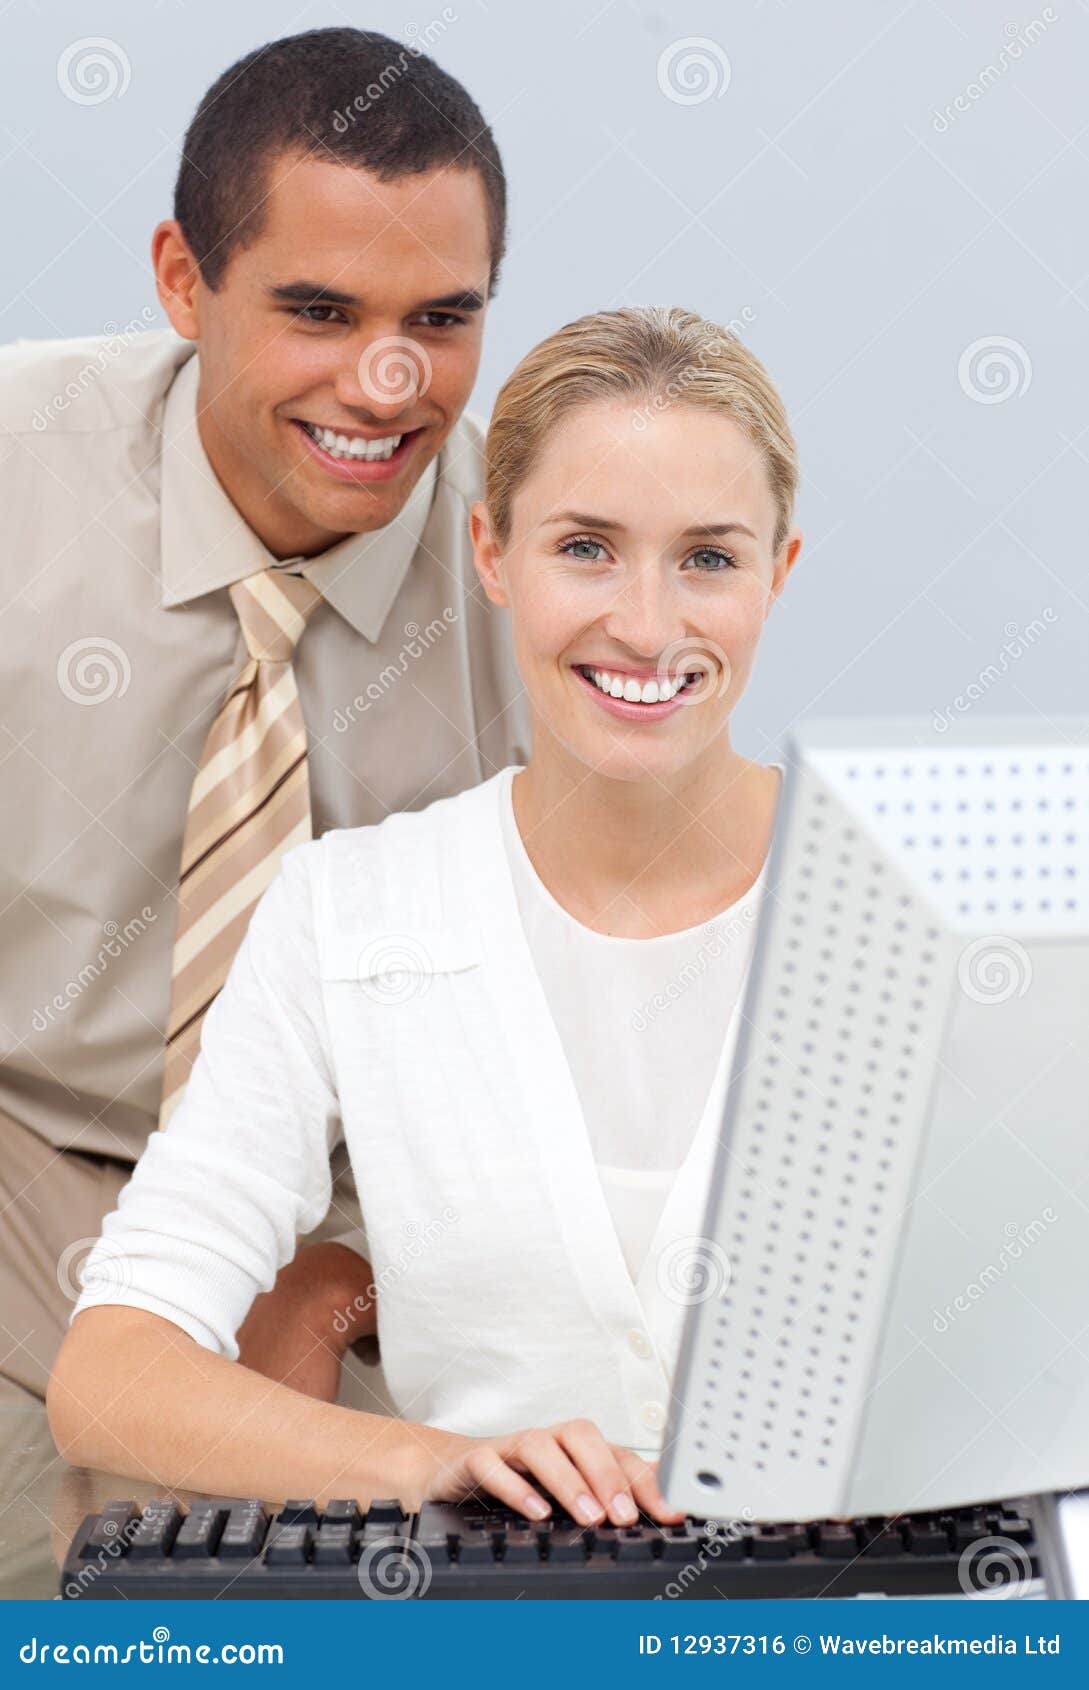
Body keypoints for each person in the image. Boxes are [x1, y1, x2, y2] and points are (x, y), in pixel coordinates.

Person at [49, 305, 804, 1529]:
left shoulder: (914, 891)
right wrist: (424, 1460)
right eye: (587, 548)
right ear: (493, 553)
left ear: (782, 570)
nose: (649, 624)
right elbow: (113, 1374)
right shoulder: (351, 913)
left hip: (875, 1617)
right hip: (488, 1626)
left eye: (710, 557)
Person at [0, 28, 529, 1406]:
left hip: (362, 1242)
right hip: (30, 1166)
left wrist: (347, 1270)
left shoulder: (540, 568)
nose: (386, 383)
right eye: (320, 312)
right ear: (184, 281)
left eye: (440, 319)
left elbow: (587, 1038)